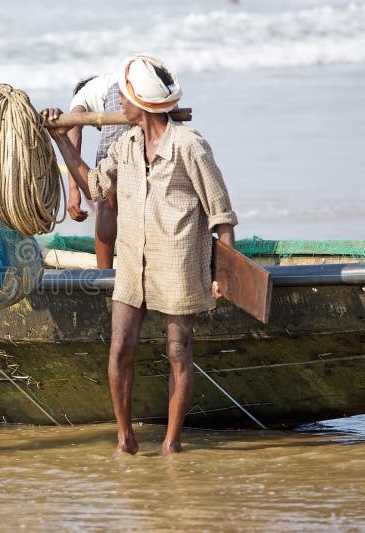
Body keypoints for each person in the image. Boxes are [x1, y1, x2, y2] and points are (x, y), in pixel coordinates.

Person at [44, 54, 237, 455]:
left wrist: (226, 273)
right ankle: (125, 438)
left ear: (141, 104)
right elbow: (96, 186)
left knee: (178, 350)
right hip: (132, 263)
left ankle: (171, 441)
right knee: (120, 349)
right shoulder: (127, 144)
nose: (119, 104)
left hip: (179, 263)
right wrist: (61, 139)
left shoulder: (190, 146)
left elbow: (221, 215)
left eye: (124, 98)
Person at [66, 73, 129, 268]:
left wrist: (73, 191)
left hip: (124, 96)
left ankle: (104, 274)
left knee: (106, 199)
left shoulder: (83, 93)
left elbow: (73, 125)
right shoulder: (115, 77)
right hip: (158, 97)